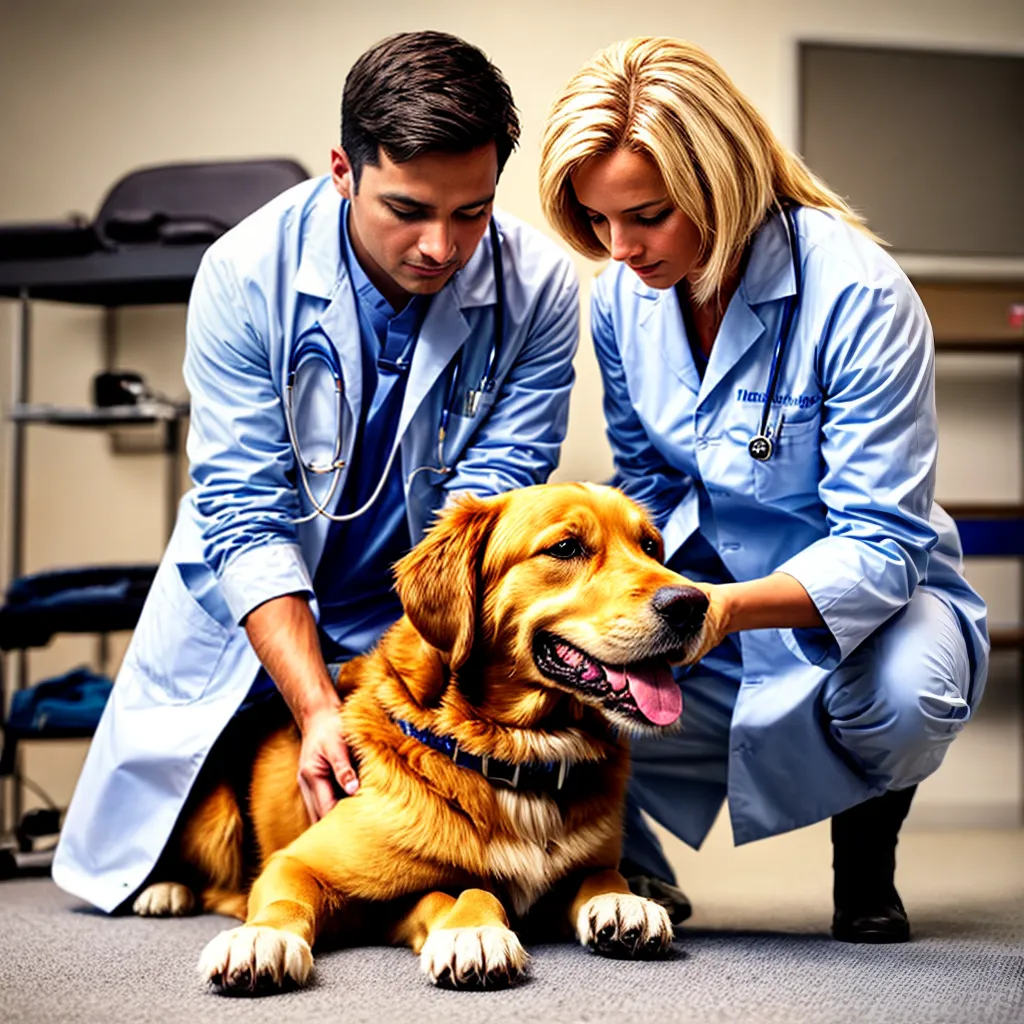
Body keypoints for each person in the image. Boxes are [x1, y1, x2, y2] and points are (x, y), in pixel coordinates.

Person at [54, 31, 578, 914]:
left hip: (411, 616)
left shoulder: (542, 289)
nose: (442, 247)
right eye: (407, 209)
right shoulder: (246, 273)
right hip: (254, 602)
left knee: (518, 850)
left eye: (472, 212)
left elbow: (487, 520)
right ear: (344, 168)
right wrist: (318, 704)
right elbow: (248, 515)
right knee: (184, 844)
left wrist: (397, 680)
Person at [539, 37, 988, 943]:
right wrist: (627, 604)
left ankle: (866, 865)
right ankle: (629, 874)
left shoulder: (861, 293)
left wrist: (720, 612)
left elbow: (881, 543)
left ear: (721, 181)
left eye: (649, 217)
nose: (619, 250)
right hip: (705, 578)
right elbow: (651, 484)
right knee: (558, 671)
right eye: (597, 222)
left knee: (908, 694)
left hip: (868, 596)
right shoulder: (624, 297)